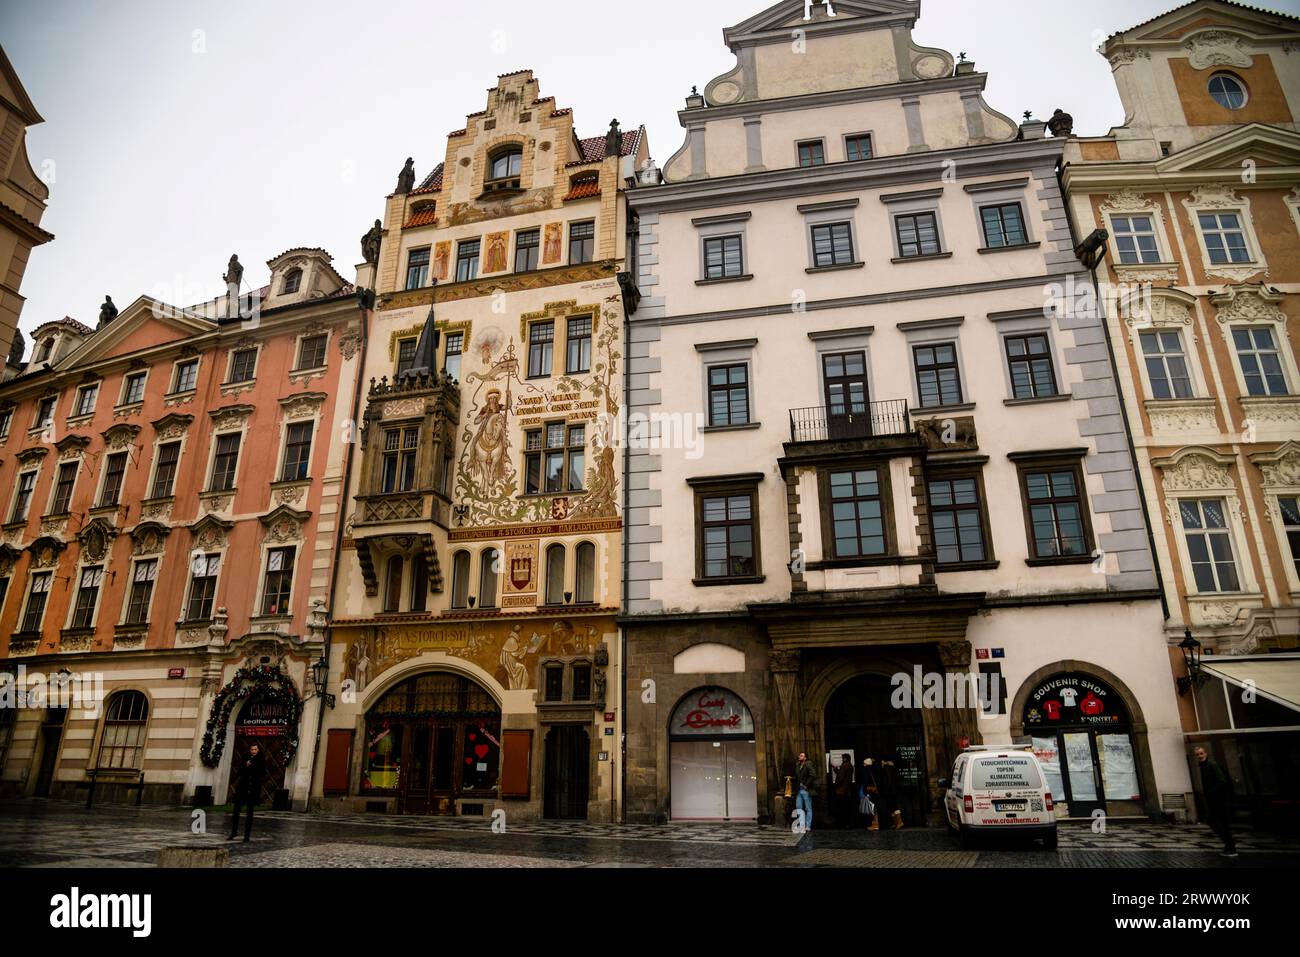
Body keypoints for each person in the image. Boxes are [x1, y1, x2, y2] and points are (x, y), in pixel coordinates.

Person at [1194, 746, 1237, 857]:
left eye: (1201, 753)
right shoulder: (1203, 766)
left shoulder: (1212, 765)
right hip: (1213, 800)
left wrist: (1210, 792)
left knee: (1220, 822)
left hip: (1219, 799)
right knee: (1214, 821)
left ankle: (1231, 847)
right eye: (1197, 754)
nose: (1200, 756)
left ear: (1206, 753)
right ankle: (1229, 845)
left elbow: (1222, 781)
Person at [229, 743, 267, 843]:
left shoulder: (261, 759)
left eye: (255, 749)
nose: (253, 751)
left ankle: (247, 835)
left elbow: (262, 773)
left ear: (258, 750)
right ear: (249, 750)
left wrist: (254, 769)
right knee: (236, 810)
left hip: (253, 788)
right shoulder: (245, 758)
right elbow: (239, 772)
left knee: (250, 813)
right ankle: (233, 832)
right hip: (242, 787)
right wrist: (246, 766)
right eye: (252, 749)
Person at [795, 751, 816, 831]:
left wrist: (806, 784)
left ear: (805, 758)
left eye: (801, 755)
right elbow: (797, 777)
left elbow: (813, 775)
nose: (799, 756)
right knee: (799, 807)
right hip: (799, 790)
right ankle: (802, 825)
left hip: (806, 790)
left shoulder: (808, 764)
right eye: (799, 755)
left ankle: (808, 825)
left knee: (808, 808)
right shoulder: (797, 765)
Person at [833, 753, 855, 828]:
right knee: (847, 807)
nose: (842, 759)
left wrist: (836, 785)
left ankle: (843, 824)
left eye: (843, 758)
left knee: (842, 808)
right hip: (847, 789)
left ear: (845, 758)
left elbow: (840, 777)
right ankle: (848, 823)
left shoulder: (844, 765)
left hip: (842, 790)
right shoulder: (850, 765)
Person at [859, 757, 879, 830]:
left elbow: (865, 781)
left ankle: (875, 825)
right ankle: (875, 824)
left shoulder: (866, 770)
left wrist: (866, 789)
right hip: (874, 790)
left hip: (869, 790)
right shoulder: (874, 770)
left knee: (872, 808)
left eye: (864, 763)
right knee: (874, 807)